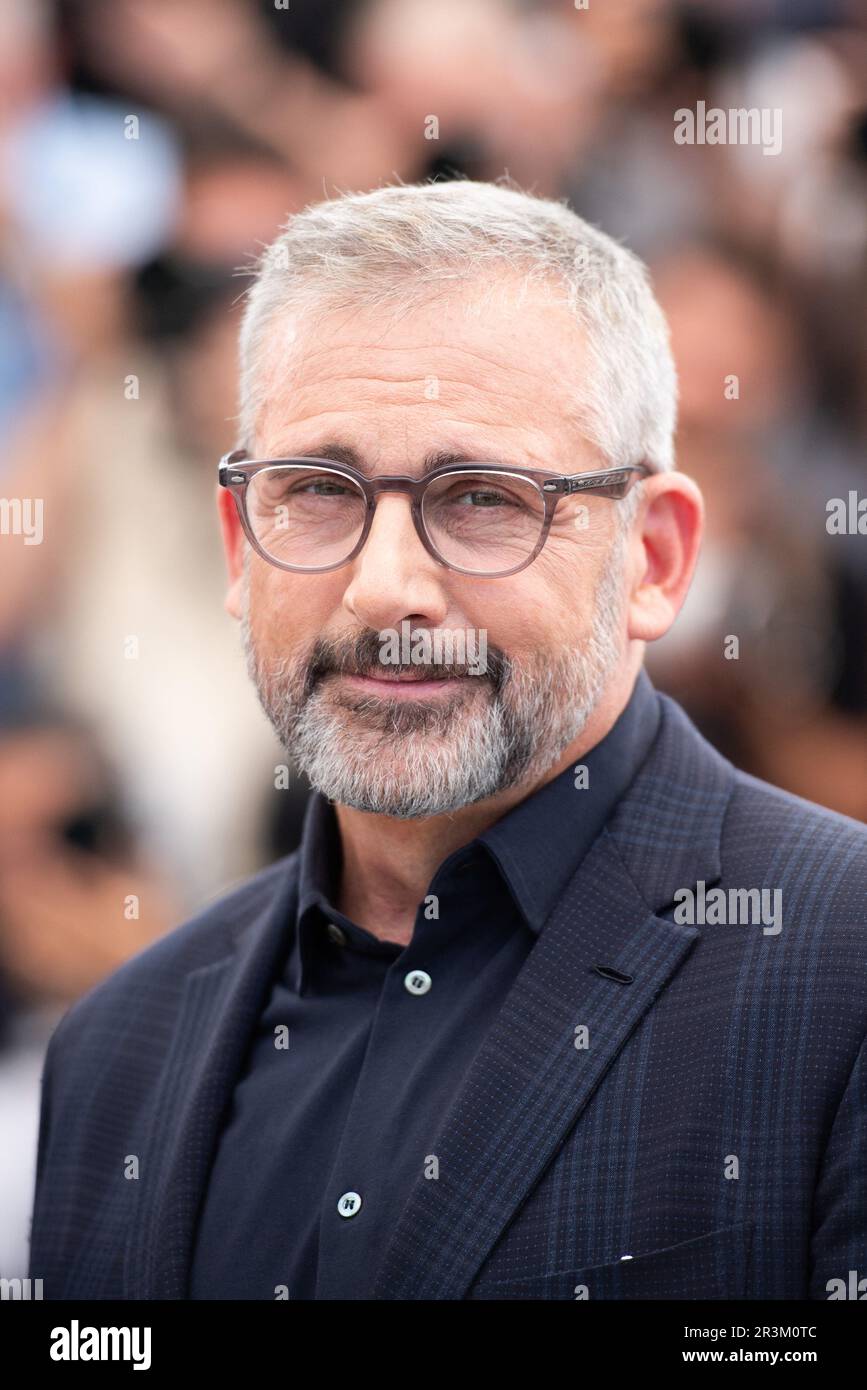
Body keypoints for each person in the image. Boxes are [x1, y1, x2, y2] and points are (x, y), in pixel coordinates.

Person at [29, 181, 867, 1300]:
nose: (385, 588)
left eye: (479, 498)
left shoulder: (842, 976)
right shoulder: (111, 1054)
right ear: (240, 546)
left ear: (654, 558)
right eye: (318, 491)